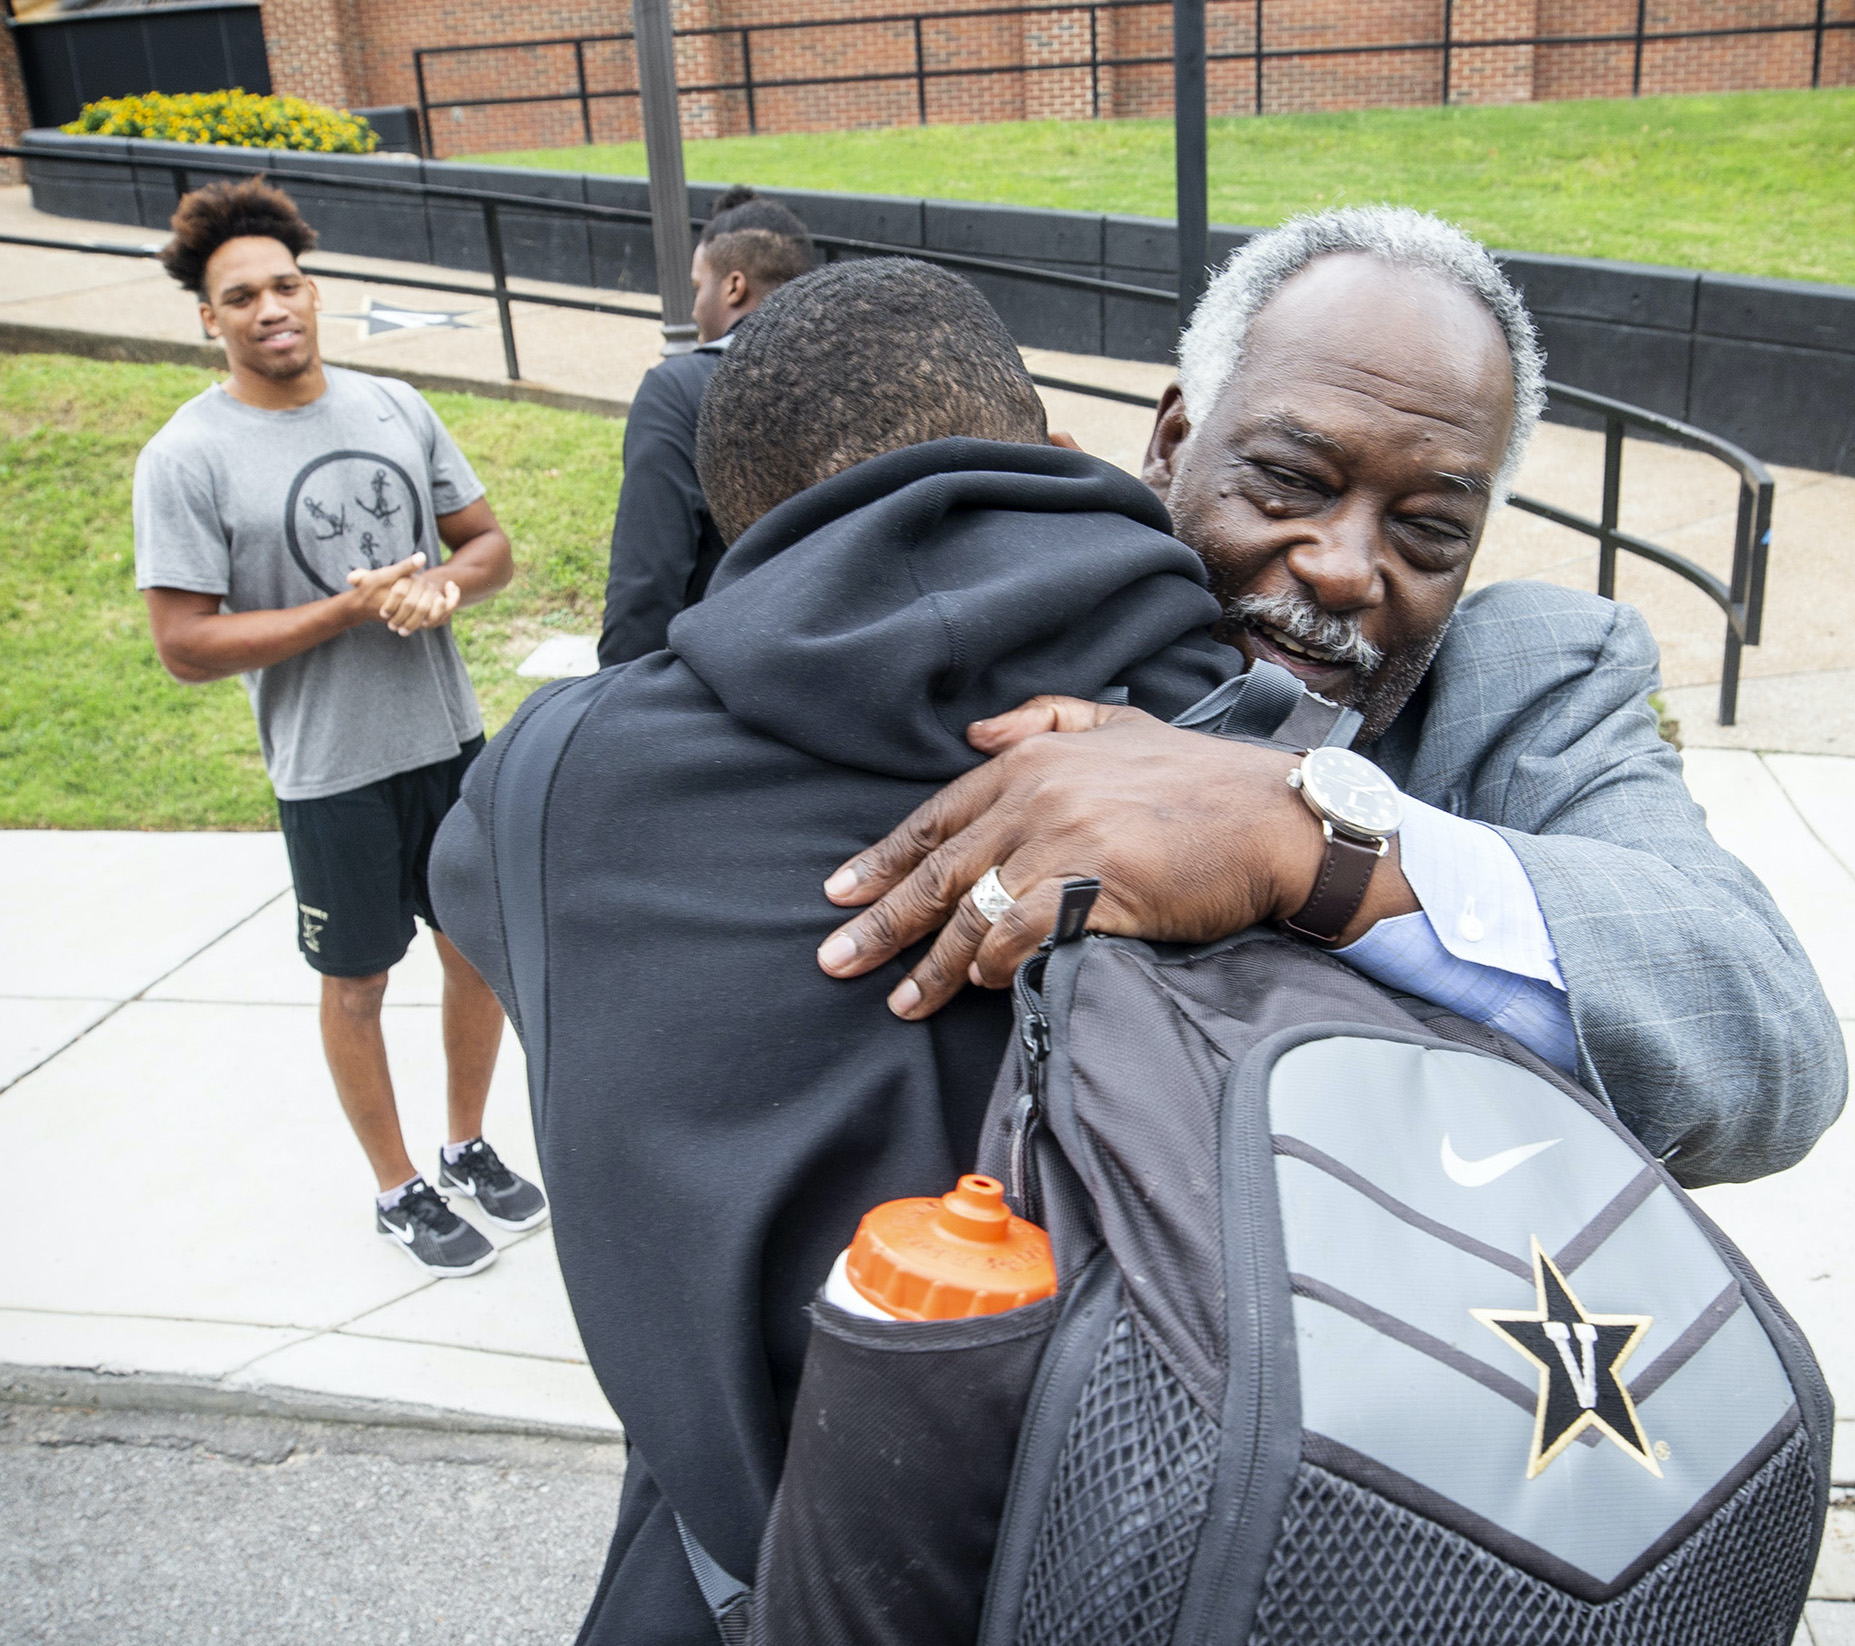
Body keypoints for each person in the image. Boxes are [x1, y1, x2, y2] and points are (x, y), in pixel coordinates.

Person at [429, 257, 1237, 1643]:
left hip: (746, 1584)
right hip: (1188, 1574)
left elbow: (467, 906)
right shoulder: (1256, 745)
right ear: (1051, 445)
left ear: (740, 527)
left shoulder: (558, 782)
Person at [817, 206, 1847, 1192]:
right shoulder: (995, 628)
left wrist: (1308, 845)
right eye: (1287, 480)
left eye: (1428, 528)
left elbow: (1768, 1041)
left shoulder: (1533, 680)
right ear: (1173, 440)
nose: (1345, 566)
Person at [134, 177, 548, 1279]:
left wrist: (445, 590)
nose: (271, 308)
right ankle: (396, 1183)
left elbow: (489, 545)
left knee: (478, 956)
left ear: (311, 291)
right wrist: (343, 609)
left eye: (285, 283)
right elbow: (182, 644)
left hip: (446, 740)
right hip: (329, 770)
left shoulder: (393, 406)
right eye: (240, 296)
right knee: (357, 981)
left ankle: (465, 1142)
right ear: (207, 318)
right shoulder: (187, 456)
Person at [598, 186, 818, 665]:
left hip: (728, 686)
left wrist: (612, 709)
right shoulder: (869, 380)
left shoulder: (677, 390)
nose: (696, 308)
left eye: (699, 288)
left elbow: (648, 579)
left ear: (734, 287)